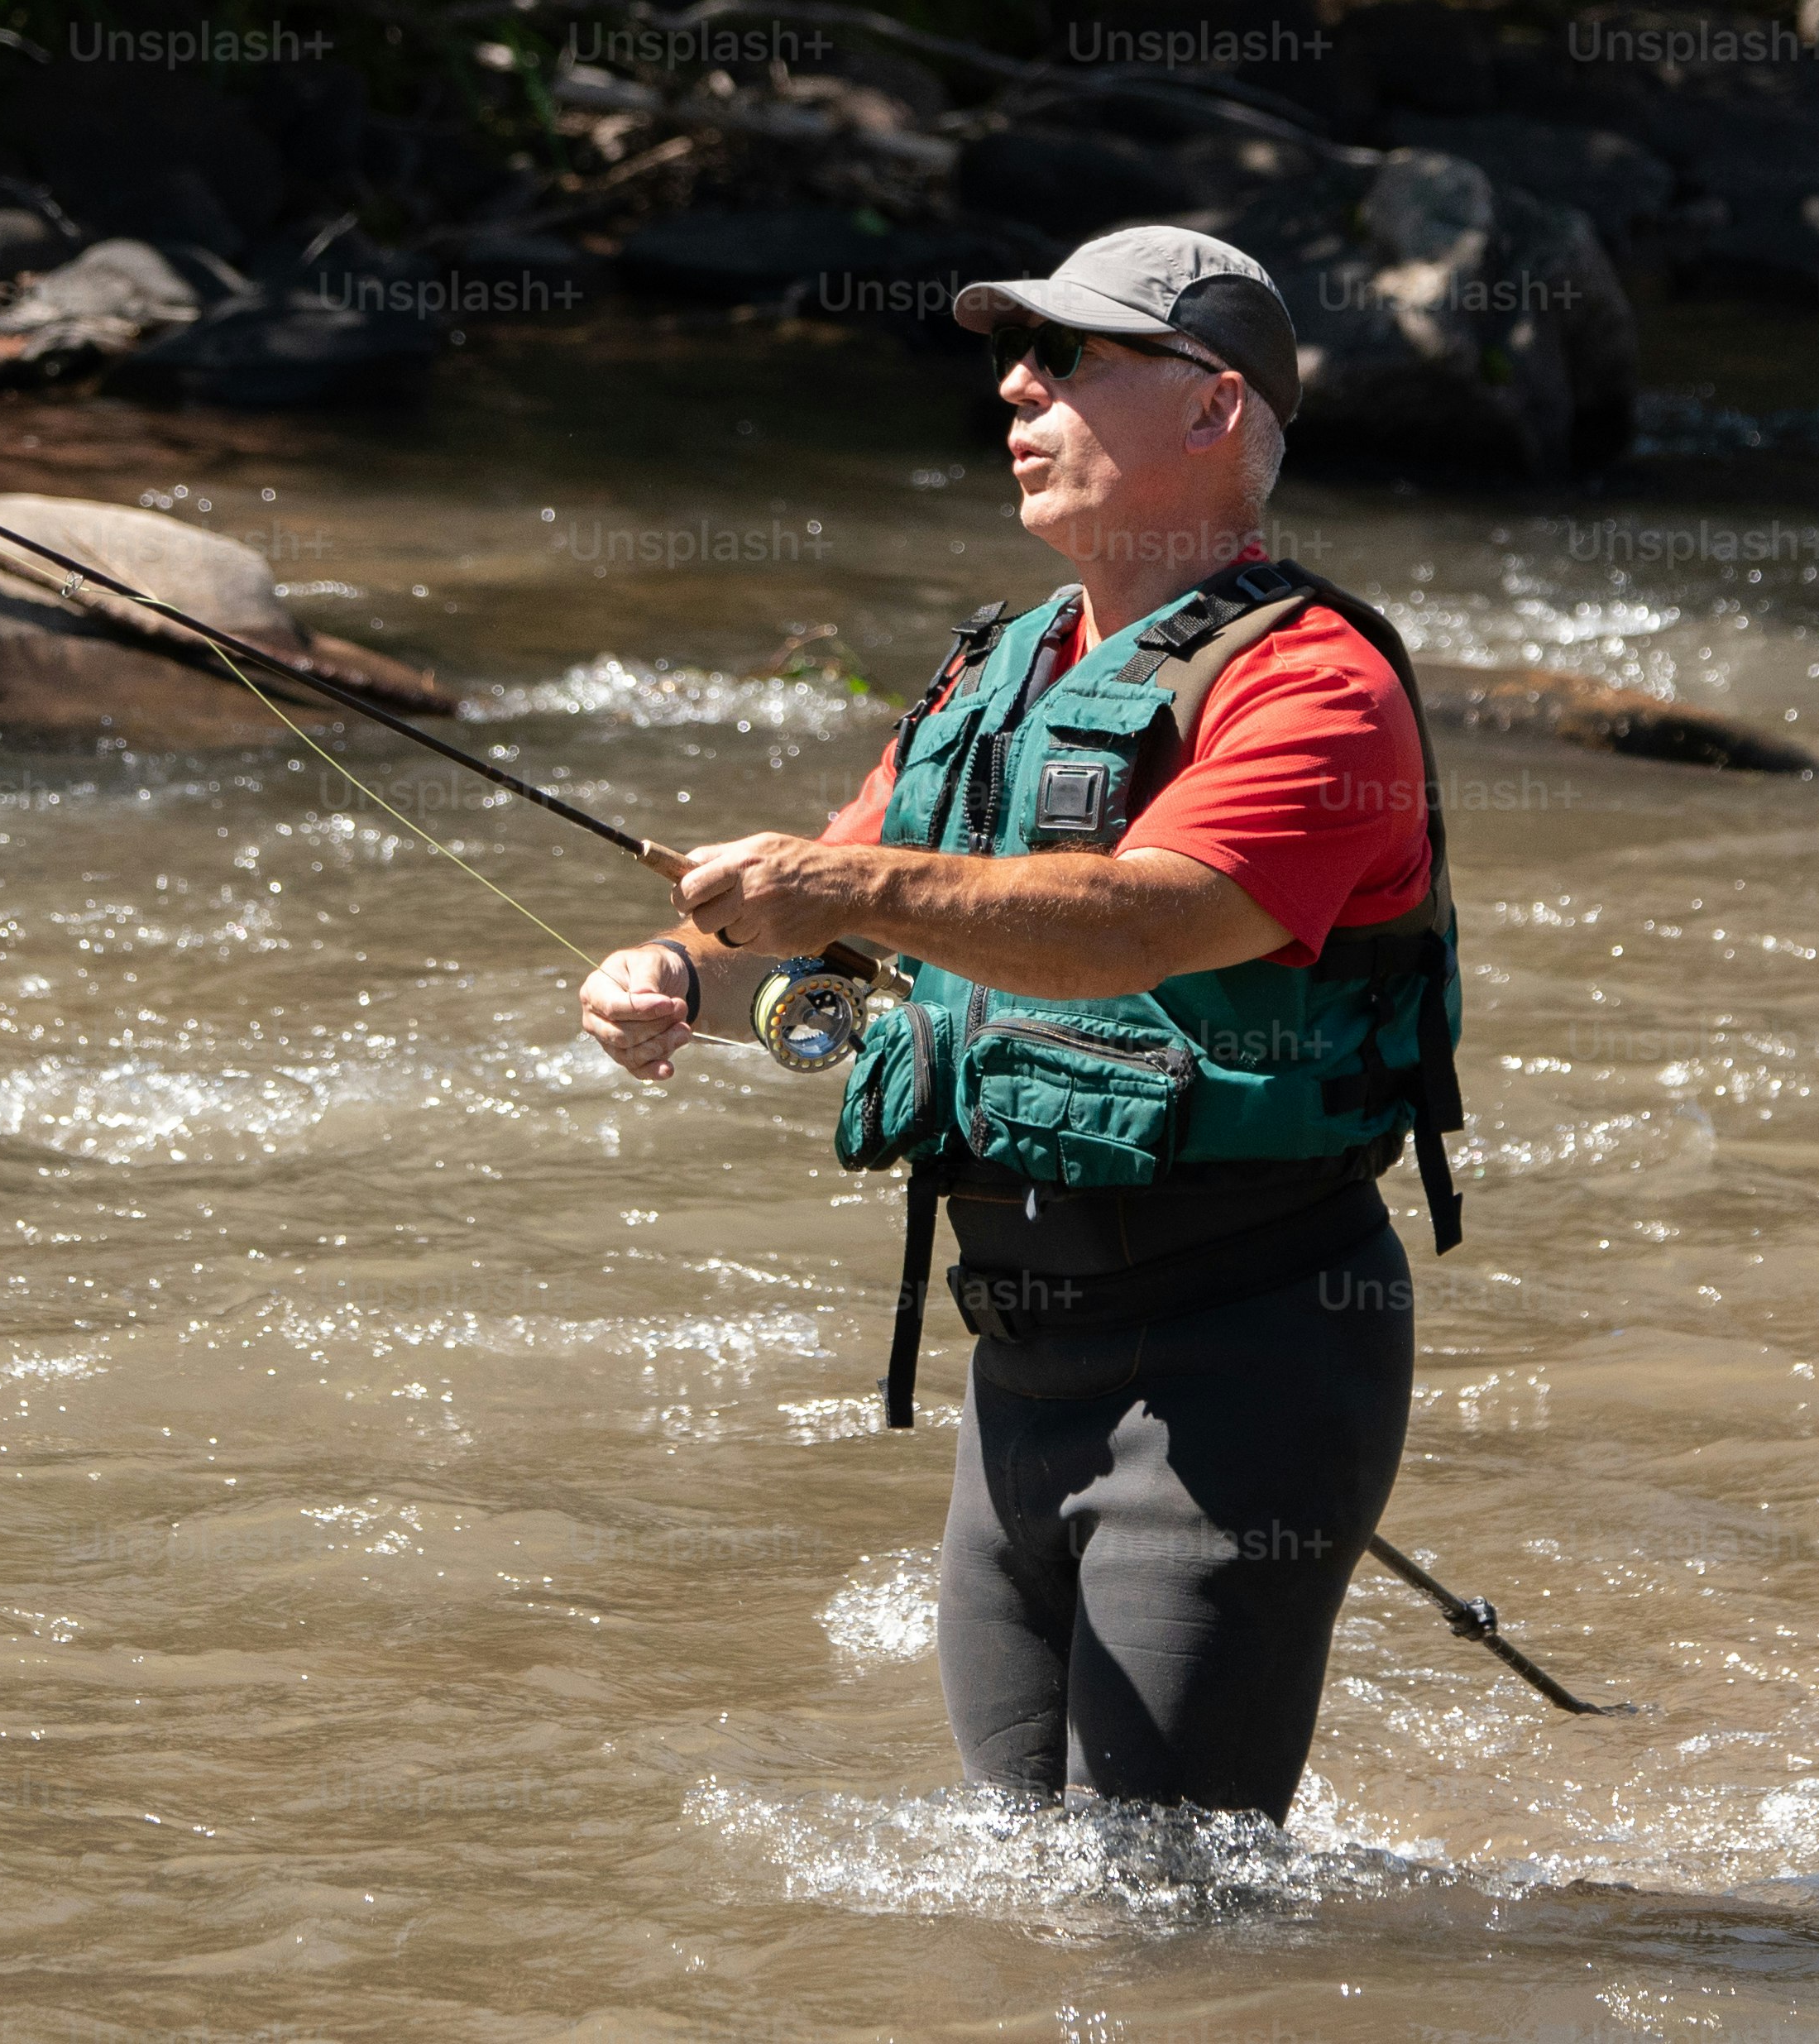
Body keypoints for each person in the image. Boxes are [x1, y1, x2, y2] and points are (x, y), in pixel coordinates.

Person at [577, 226, 1467, 1821]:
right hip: (1021, 1366)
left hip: (1249, 1353)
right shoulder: (997, 671)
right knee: (1015, 1881)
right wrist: (680, 981)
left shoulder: (1316, 686)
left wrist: (837, 877)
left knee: (1166, 1925)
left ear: (1213, 411)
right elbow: (856, 955)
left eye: (1072, 360)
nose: (1016, 386)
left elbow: (1149, 918)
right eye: (1020, 357)